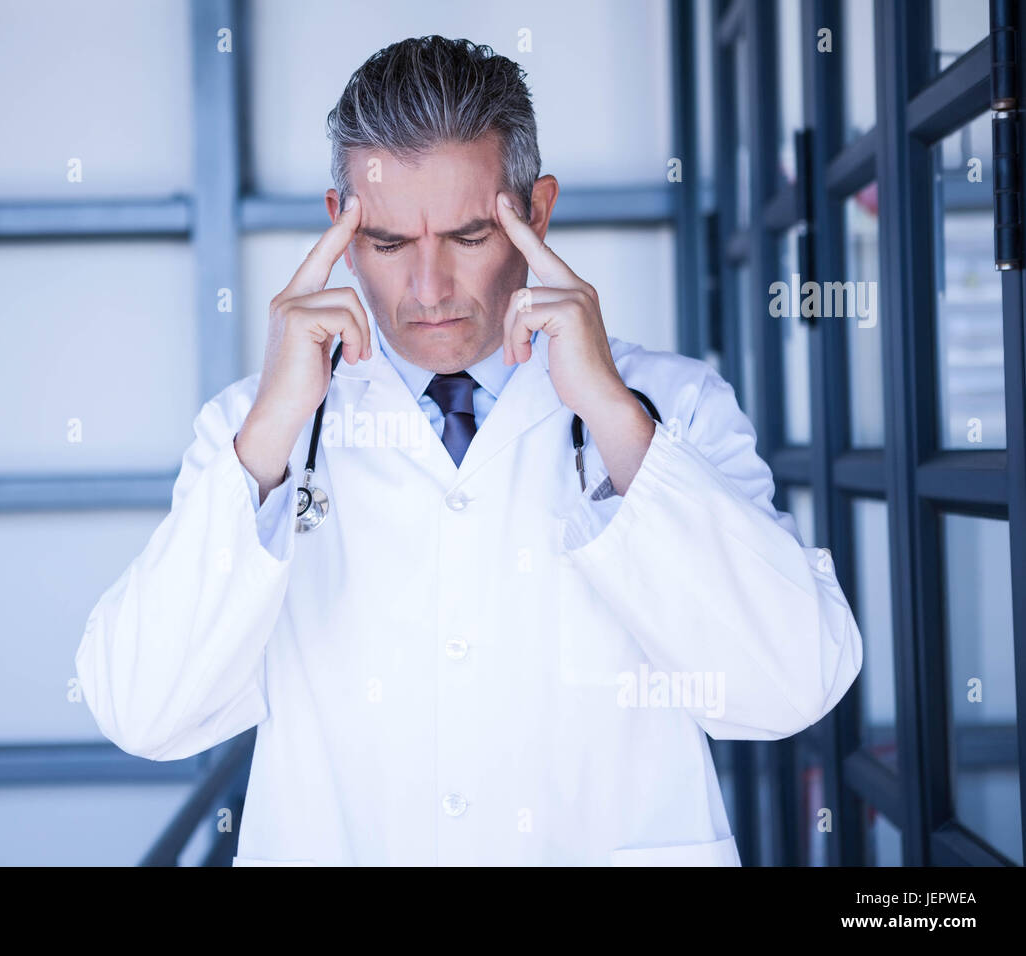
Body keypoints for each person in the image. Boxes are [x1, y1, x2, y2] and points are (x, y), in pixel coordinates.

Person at [75, 35, 863, 866]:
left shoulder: (673, 407)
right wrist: (269, 434)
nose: (428, 289)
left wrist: (614, 417)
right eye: (385, 244)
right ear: (337, 231)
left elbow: (793, 685)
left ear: (538, 212)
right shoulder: (257, 430)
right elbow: (142, 711)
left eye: (468, 236)